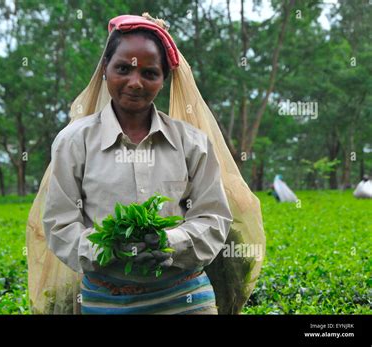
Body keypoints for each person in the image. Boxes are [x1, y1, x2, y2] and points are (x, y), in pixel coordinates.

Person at [26, 13, 265, 315]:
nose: (135, 83)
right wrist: (106, 248)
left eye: (150, 73)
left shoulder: (192, 143)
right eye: (123, 69)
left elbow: (213, 218)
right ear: (105, 70)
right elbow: (59, 224)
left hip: (185, 299)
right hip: (107, 301)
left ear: (164, 80)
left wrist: (168, 242)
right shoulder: (74, 142)